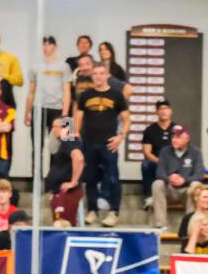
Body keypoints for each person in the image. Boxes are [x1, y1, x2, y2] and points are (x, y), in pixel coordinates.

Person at [73, 63, 130, 228]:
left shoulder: (117, 96)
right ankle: (92, 210)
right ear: (92, 76)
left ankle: (114, 212)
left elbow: (127, 119)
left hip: (109, 144)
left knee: (112, 178)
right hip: (89, 143)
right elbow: (77, 119)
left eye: (101, 73)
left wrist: (121, 137)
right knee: (90, 178)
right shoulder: (85, 95)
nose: (98, 76)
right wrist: (75, 139)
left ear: (107, 76)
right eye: (95, 73)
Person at [26, 36, 70, 172]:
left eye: (49, 45)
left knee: (58, 147)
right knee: (37, 147)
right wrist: (27, 112)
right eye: (44, 45)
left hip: (57, 109)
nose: (46, 48)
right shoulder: (35, 66)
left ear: (55, 46)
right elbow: (31, 91)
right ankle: (36, 181)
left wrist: (65, 114)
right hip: (38, 109)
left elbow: (67, 91)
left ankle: (54, 181)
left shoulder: (64, 66)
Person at [44, 117, 84, 226]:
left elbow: (78, 158)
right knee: (60, 223)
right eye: (53, 126)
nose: (55, 129)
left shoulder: (69, 141)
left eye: (59, 126)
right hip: (60, 192)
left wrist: (73, 182)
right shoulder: (64, 142)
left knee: (63, 225)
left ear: (67, 128)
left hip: (66, 193)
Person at [140, 101, 175, 210]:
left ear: (171, 111)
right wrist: (159, 161)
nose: (164, 111)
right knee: (146, 164)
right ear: (156, 112)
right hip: (156, 161)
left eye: (166, 108)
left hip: (174, 162)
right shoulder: (150, 130)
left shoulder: (177, 129)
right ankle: (149, 198)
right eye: (161, 109)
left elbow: (182, 150)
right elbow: (147, 152)